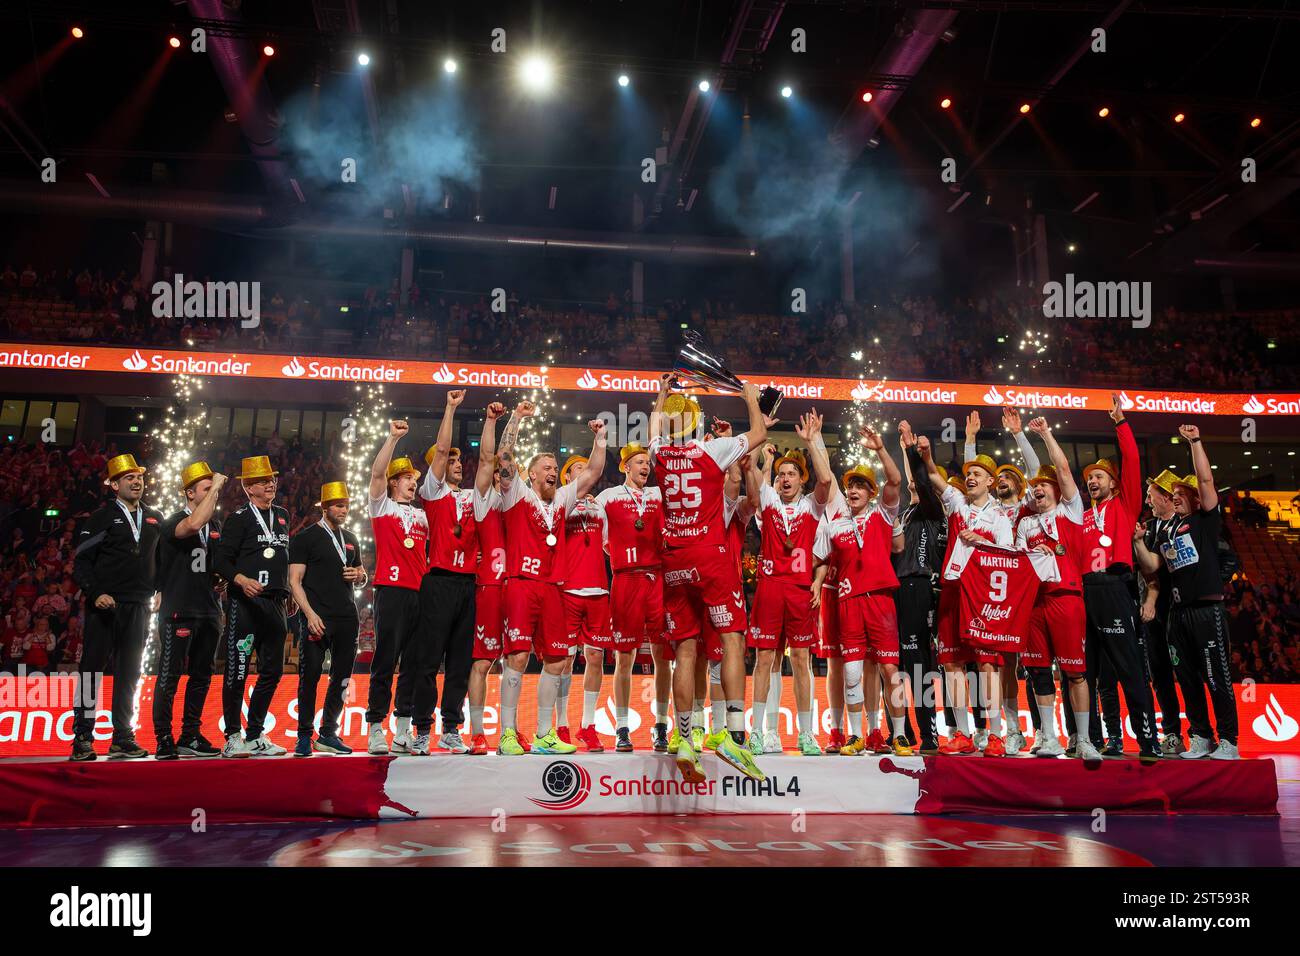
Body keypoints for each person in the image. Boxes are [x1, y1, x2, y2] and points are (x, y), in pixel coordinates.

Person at [649, 374, 767, 783]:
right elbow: (760, 432)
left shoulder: (659, 453)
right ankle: (733, 734)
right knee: (732, 641)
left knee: (685, 650)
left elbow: (652, 427)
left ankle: (683, 739)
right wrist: (750, 398)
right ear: (696, 424)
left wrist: (662, 394)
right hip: (710, 557)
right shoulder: (712, 450)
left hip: (674, 560)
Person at [495, 418, 608, 756]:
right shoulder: (517, 493)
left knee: (558, 661)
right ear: (530, 474)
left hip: (555, 588)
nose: (552, 470)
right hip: (521, 584)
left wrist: (600, 437)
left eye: (554, 467)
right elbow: (503, 456)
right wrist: (515, 419)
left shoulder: (561, 499)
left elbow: (592, 474)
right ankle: (507, 734)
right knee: (517, 657)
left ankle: (545, 733)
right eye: (546, 466)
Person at [1136, 429, 1239, 759]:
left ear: (1196, 500)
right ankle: (1199, 736)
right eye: (1174, 493)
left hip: (1207, 611)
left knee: (1215, 678)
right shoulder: (1166, 530)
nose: (1176, 496)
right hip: (1177, 616)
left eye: (1182, 493)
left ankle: (1229, 741)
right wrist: (1138, 541)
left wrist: (1196, 443)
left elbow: (1206, 481)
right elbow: (1153, 565)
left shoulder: (1205, 521)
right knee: (1188, 680)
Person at [813, 428, 910, 756]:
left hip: (881, 602)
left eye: (860, 486)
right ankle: (855, 736)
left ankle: (898, 735)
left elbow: (895, 481)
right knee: (851, 670)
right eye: (850, 485)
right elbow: (815, 558)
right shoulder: (835, 524)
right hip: (848, 602)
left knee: (890, 671)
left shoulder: (884, 513)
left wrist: (882, 449)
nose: (853, 490)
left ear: (871, 492)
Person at [746, 409, 837, 756]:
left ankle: (805, 734)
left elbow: (826, 481)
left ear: (801, 480)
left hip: (799, 592)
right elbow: (752, 478)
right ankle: (758, 732)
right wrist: (758, 437)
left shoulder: (813, 507)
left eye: (792, 474)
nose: (785, 479)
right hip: (770, 590)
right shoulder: (768, 499)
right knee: (764, 659)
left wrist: (813, 441)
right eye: (782, 474)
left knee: (801, 660)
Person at [414, 391, 500, 755]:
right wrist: (449, 407)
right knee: (428, 659)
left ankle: (451, 727)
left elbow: (487, 461)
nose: (457, 463)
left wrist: (491, 421)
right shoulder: (431, 492)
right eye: (450, 460)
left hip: (470, 586)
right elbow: (442, 444)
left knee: (460, 664)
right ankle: (421, 730)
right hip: (438, 581)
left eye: (458, 460)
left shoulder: (473, 498)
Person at [1077, 394, 1159, 761]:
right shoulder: (1082, 515)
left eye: (1098, 476)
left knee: (1128, 667)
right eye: (1089, 478)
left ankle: (1148, 740)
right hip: (1085, 591)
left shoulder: (1124, 505)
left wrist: (1121, 424)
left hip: (1115, 588)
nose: (1092, 481)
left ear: (1112, 481)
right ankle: (1101, 739)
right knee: (1094, 674)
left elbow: (1133, 461)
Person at [919, 440, 1013, 755]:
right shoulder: (957, 503)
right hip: (953, 591)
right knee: (952, 664)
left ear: (991, 481)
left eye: (977, 473)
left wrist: (982, 542)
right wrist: (927, 455)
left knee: (987, 665)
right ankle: (961, 733)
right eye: (968, 472)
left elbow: (1010, 554)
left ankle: (996, 735)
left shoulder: (1000, 515)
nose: (970, 477)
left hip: (984, 597)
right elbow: (934, 476)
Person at [70, 453, 163, 761]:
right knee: (90, 672)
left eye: (140, 478)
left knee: (130, 672)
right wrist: (95, 592)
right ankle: (82, 737)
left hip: (139, 605)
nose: (137, 482)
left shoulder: (154, 517)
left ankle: (122, 736)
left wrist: (160, 589)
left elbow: (161, 561)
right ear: (114, 485)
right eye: (129, 478)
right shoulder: (100, 517)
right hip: (105, 605)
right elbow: (82, 561)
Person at [1016, 421, 1096, 760]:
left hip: (1066, 599)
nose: (1038, 490)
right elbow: (1018, 561)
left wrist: (1044, 434)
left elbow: (1062, 468)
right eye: (1034, 486)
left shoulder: (1070, 511)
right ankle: (1049, 737)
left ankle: (1085, 739)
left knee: (1075, 672)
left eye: (1044, 485)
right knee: (1038, 671)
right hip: (1034, 605)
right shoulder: (1026, 523)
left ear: (1057, 489)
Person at [213, 455, 292, 757]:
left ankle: (255, 734)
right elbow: (221, 560)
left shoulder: (283, 515)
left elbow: (283, 555)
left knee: (273, 671)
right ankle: (233, 735)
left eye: (271, 478)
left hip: (276, 603)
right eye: (262, 481)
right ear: (248, 487)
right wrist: (240, 579)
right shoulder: (239, 518)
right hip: (246, 604)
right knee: (238, 671)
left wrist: (289, 591)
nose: (270, 483)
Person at [591, 441, 666, 754]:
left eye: (647, 462)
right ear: (625, 467)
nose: (645, 467)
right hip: (626, 580)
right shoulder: (607, 498)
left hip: (659, 580)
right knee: (625, 658)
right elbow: (600, 540)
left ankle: (661, 726)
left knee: (664, 657)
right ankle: (622, 728)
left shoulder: (660, 495)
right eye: (639, 462)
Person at [154, 461, 226, 759]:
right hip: (179, 611)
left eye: (214, 490)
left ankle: (190, 734)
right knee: (170, 675)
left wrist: (220, 578)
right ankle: (163, 738)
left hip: (209, 611)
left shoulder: (216, 527)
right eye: (207, 490)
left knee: (202, 676)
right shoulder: (172, 520)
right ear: (190, 493)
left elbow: (216, 563)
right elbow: (192, 525)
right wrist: (218, 486)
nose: (214, 494)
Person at [365, 422, 429, 755]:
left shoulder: (421, 517)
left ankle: (403, 729)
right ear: (394, 483)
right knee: (385, 660)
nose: (413, 484)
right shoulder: (382, 507)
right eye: (408, 479)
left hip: (420, 592)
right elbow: (376, 476)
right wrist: (392, 438)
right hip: (390, 589)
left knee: (414, 664)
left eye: (415, 481)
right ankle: (376, 727)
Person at [289, 481, 367, 756]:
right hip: (317, 618)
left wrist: (360, 576)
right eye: (338, 505)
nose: (344, 510)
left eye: (346, 505)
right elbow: (294, 581)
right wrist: (308, 614)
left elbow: (362, 573)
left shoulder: (351, 538)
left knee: (342, 678)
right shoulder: (305, 538)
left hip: (347, 617)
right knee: (309, 678)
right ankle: (303, 736)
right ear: (324, 507)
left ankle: (328, 733)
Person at [466, 402, 526, 755]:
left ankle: (510, 730)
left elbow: (508, 462)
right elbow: (493, 458)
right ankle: (477, 733)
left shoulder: (518, 497)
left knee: (516, 659)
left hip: (517, 586)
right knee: (483, 661)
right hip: (489, 586)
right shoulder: (484, 499)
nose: (502, 476)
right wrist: (497, 420)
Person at [1133, 470, 1201, 757]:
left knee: (1187, 674)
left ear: (1165, 498)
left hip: (1176, 610)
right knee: (1160, 675)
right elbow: (1145, 570)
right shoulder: (1146, 528)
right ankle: (1172, 733)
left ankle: (1201, 733)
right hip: (1151, 616)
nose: (1148, 500)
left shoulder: (1186, 525)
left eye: (1152, 495)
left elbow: (1158, 573)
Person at [892, 421, 946, 755]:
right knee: (894, 665)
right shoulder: (901, 513)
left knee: (919, 666)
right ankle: (902, 732)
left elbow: (921, 482)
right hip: (893, 590)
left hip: (919, 588)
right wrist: (903, 448)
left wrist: (913, 452)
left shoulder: (932, 511)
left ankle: (929, 733)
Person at [556, 453, 613, 746]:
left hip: (598, 592)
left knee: (595, 656)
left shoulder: (599, 508)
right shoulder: (559, 503)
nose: (585, 474)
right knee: (563, 660)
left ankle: (587, 725)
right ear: (568, 479)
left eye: (587, 470)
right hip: (567, 590)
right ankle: (561, 725)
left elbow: (609, 546)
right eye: (579, 470)